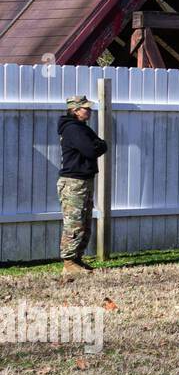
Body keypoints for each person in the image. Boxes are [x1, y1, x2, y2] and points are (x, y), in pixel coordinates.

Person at [57, 95, 107, 273]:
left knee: (84, 222)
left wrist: (99, 145)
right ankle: (69, 263)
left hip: (84, 180)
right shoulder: (73, 129)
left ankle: (77, 259)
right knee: (74, 223)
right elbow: (91, 149)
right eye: (86, 108)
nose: (90, 110)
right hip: (73, 183)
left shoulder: (82, 129)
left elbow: (102, 145)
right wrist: (98, 145)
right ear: (75, 110)